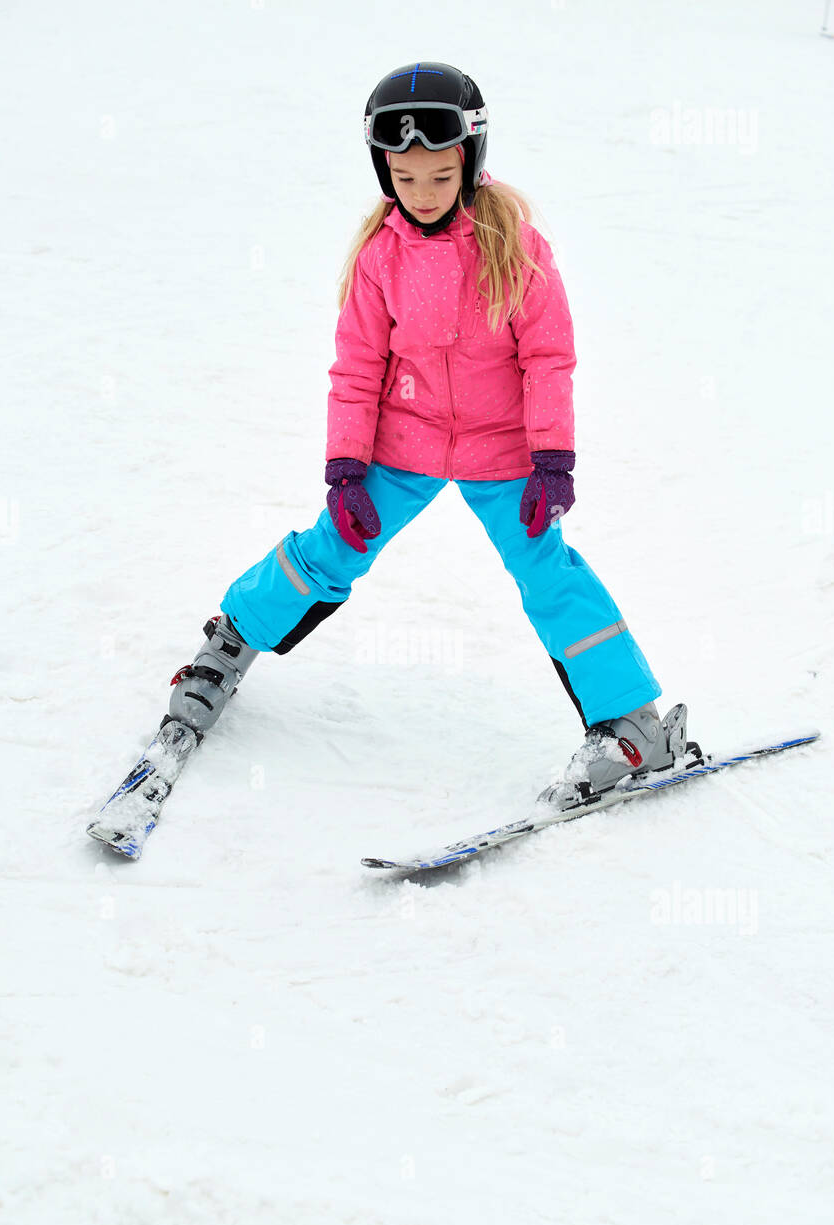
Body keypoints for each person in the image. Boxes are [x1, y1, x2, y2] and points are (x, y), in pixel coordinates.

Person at [166, 61, 680, 808]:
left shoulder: (516, 248)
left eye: (440, 175)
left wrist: (551, 459)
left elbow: (547, 358)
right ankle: (229, 643)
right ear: (384, 173)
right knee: (328, 548)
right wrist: (346, 468)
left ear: (468, 160)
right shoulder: (381, 258)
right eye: (405, 179)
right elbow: (356, 368)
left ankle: (633, 725)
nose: (424, 193)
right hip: (400, 446)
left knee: (548, 574)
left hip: (503, 452)